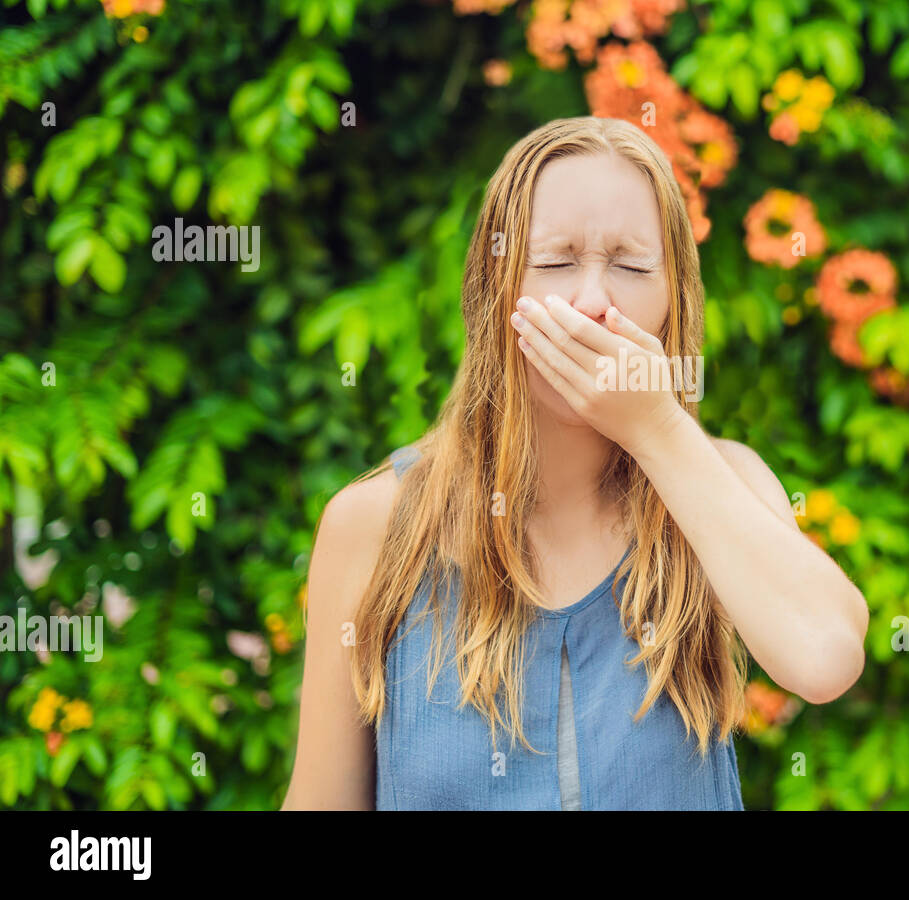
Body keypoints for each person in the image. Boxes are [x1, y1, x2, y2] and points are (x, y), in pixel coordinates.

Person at [282, 115, 869, 810]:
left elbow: (826, 657)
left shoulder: (719, 485)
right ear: (495, 289)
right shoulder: (374, 525)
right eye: (557, 262)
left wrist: (657, 429)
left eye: (631, 265)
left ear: (672, 299)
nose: (592, 303)